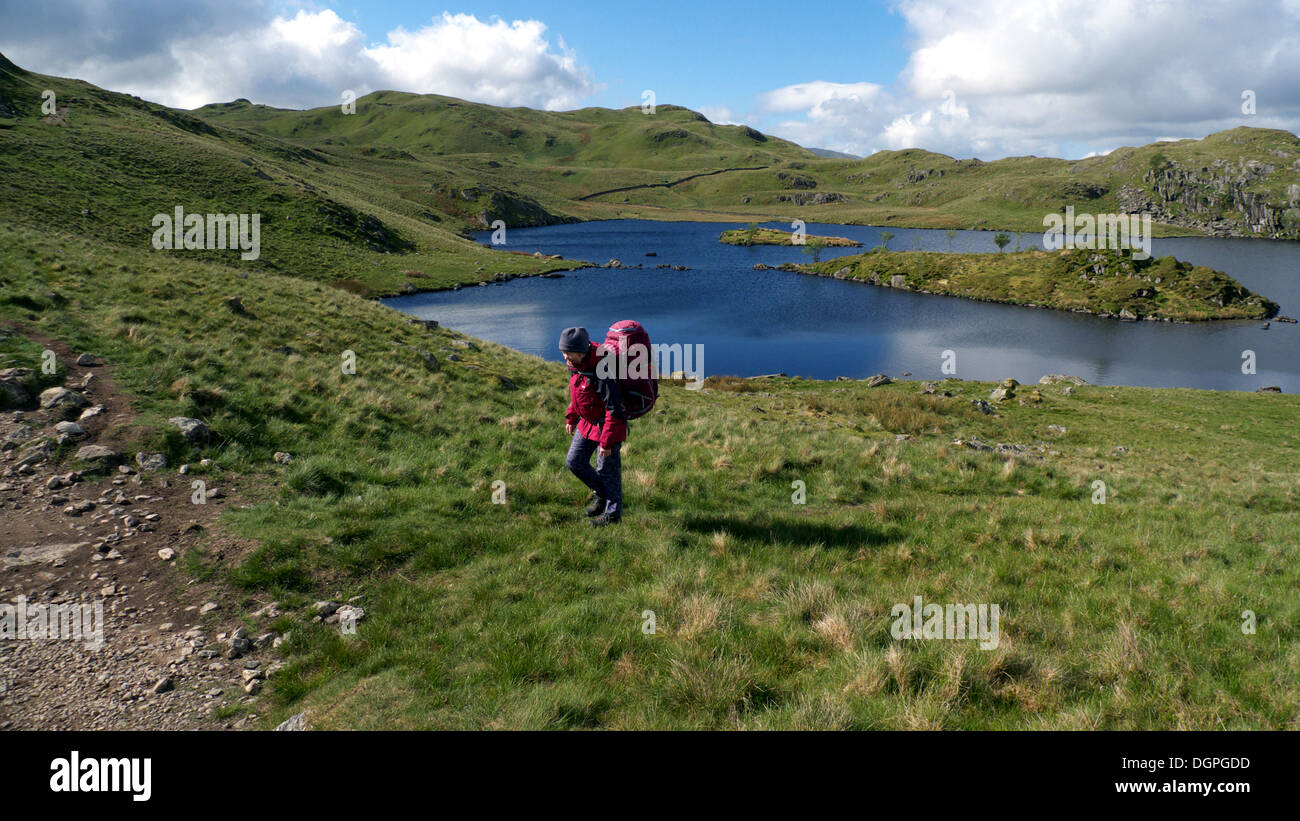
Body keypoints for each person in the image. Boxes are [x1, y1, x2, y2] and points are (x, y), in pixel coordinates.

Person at [559, 326, 626, 527]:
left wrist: (606, 442)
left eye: (567, 353)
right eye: (563, 353)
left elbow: (614, 409)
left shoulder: (601, 370)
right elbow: (578, 393)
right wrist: (571, 417)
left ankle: (613, 515)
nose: (564, 357)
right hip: (587, 423)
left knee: (607, 471)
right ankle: (601, 494)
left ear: (580, 352)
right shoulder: (577, 365)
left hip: (607, 427)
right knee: (574, 461)